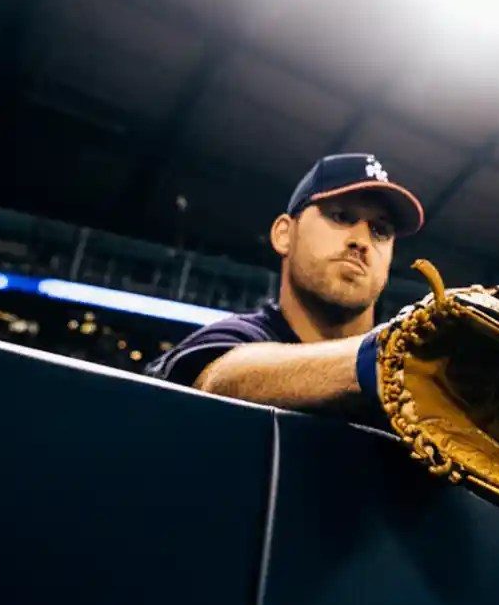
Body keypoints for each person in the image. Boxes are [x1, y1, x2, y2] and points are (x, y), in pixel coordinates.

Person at [145, 153, 424, 421]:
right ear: (284, 234)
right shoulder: (239, 337)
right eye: (341, 216)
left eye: (380, 231)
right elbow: (215, 380)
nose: (361, 241)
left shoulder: (419, 387)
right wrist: (378, 361)